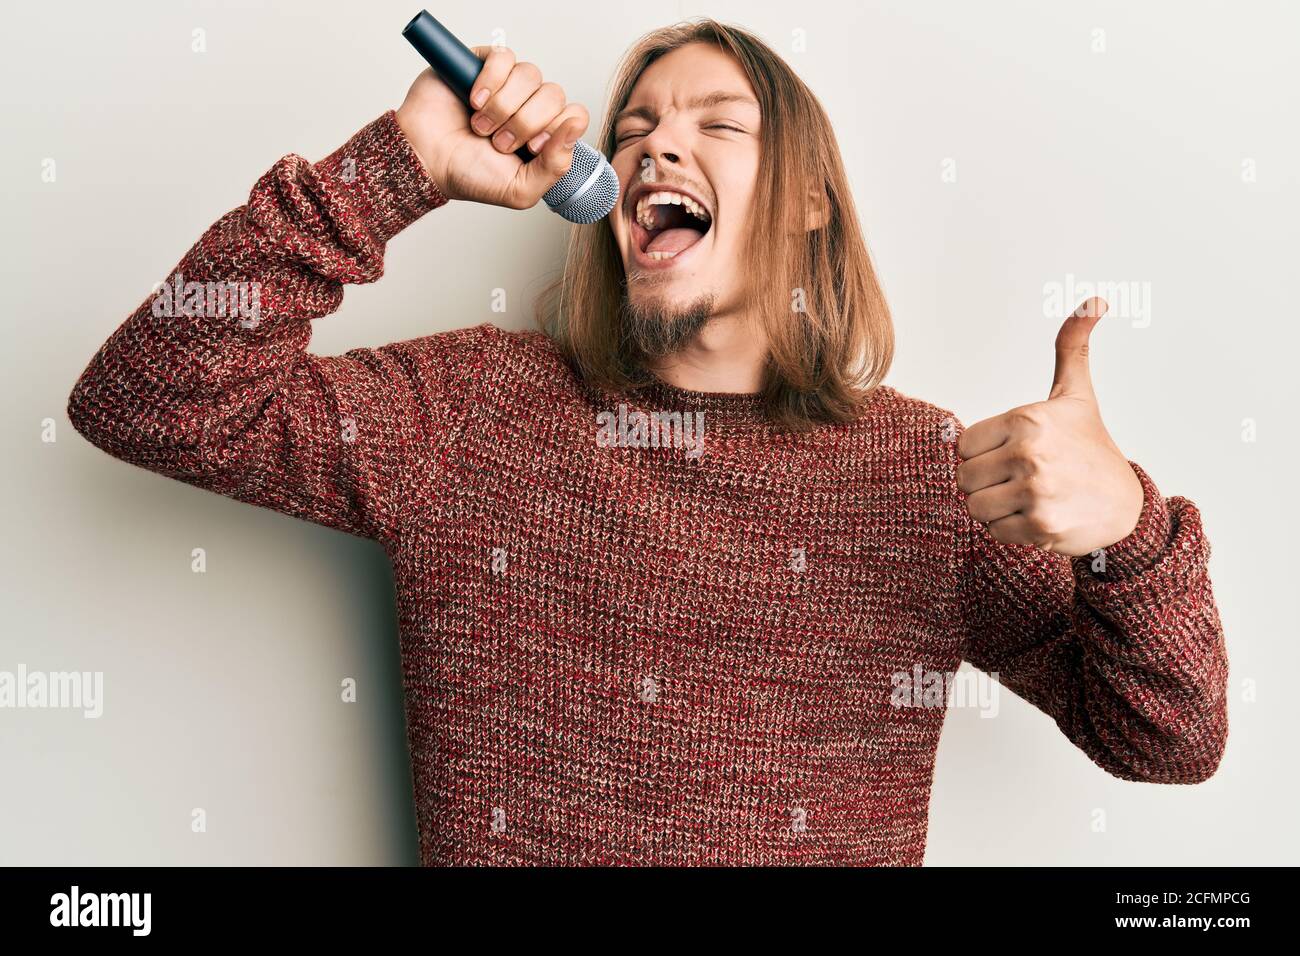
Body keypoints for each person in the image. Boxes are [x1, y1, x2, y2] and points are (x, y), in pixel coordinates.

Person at [67, 19, 1228, 866]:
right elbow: (148, 398)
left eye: (717, 124)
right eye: (634, 132)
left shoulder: (920, 474)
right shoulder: (476, 409)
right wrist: (393, 170)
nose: (656, 151)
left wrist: (1127, 530)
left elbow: (1170, 740)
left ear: (809, 201)